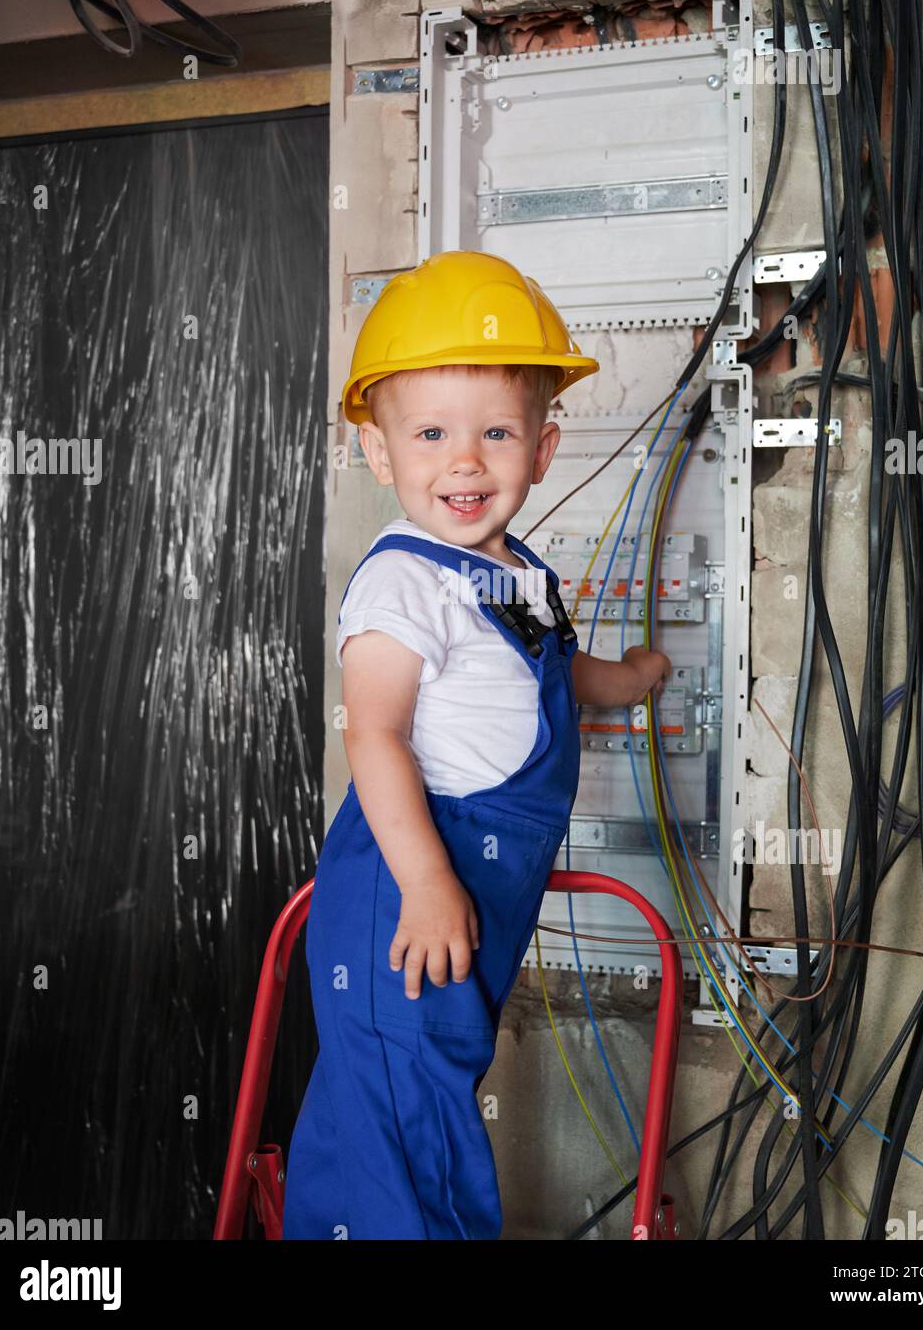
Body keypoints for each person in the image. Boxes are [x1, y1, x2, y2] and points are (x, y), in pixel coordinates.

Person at [282, 250, 670, 1240]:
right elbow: (374, 736)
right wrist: (422, 879)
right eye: (430, 434)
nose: (464, 461)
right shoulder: (401, 584)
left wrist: (626, 681)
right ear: (380, 454)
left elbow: (546, 671)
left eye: (495, 432)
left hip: (476, 891)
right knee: (407, 1120)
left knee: (411, 1094)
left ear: (541, 450)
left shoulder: (520, 574)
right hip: (408, 883)